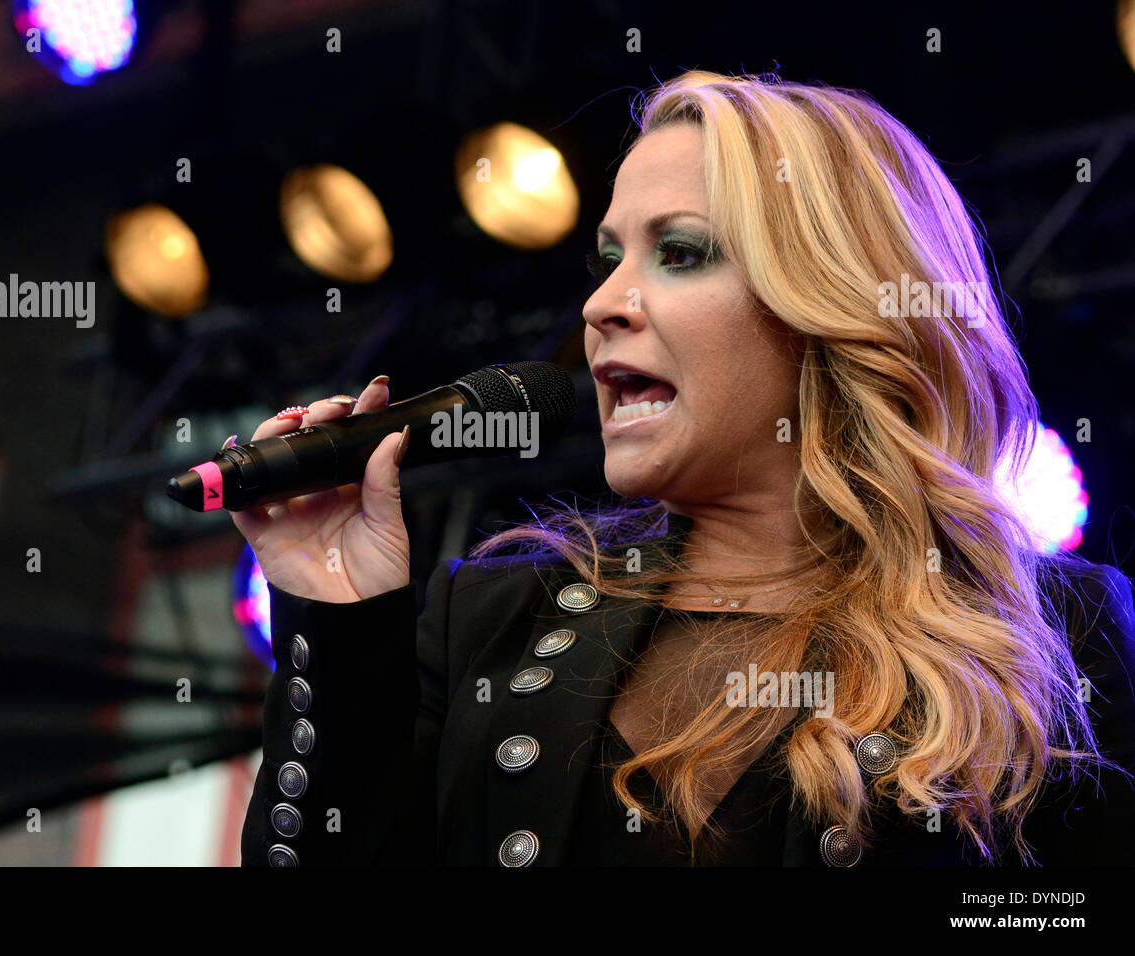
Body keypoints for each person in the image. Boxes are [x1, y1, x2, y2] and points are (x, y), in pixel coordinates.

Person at [233, 70, 1135, 866]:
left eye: (682, 252)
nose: (601, 304)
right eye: (608, 258)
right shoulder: (494, 621)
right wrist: (341, 620)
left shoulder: (1045, 632)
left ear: (826, 297)